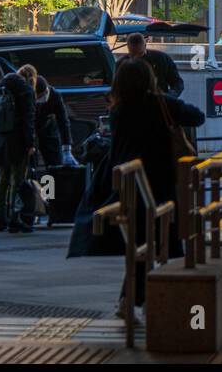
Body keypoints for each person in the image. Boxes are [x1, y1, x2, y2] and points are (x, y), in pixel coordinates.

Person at [81, 57, 205, 321]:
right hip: (160, 185)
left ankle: (134, 299)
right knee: (163, 243)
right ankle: (151, 301)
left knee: (142, 243)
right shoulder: (162, 105)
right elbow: (198, 116)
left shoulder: (118, 112)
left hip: (128, 187)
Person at [0, 63, 38, 234]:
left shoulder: (0, 87)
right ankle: (14, 219)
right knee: (17, 181)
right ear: (32, 78)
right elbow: (28, 120)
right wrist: (30, 144)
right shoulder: (25, 91)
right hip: (17, 142)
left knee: (2, 179)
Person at [124, 32, 184, 97]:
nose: (137, 57)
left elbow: (177, 83)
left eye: (140, 53)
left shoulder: (162, 59)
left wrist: (170, 95)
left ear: (145, 46)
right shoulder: (161, 58)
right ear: (128, 48)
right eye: (133, 54)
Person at [33, 75, 75, 167]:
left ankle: (53, 179)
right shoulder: (28, 95)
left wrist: (67, 149)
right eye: (38, 97)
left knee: (55, 163)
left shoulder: (54, 95)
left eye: (42, 96)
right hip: (31, 130)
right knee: (30, 165)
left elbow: (63, 121)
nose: (40, 99)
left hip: (48, 130)